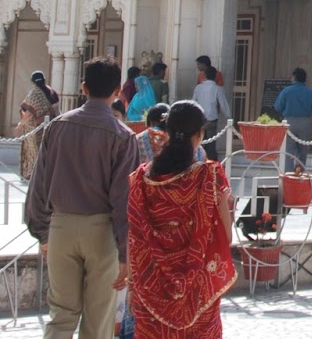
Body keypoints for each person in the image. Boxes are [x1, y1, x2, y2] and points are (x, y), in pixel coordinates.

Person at [23, 56, 140, 339]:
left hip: (61, 228)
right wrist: (126, 254)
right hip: (102, 233)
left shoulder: (58, 126)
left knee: (61, 316)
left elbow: (39, 185)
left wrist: (42, 232)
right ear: (117, 92)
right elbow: (124, 199)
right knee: (98, 321)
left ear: (83, 88)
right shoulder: (123, 136)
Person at [127, 100, 236, 339]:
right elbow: (225, 237)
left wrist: (132, 280)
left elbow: (134, 237)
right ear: (200, 134)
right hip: (198, 291)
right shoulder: (210, 176)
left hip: (151, 284)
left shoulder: (141, 180)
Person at [274, 68, 312, 171]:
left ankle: (288, 173)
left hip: (289, 122)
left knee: (288, 150)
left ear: (294, 77)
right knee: (303, 150)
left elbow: (277, 107)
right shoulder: (311, 92)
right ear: (305, 79)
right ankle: (299, 172)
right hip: (305, 122)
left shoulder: (286, 91)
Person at [17, 72, 60, 180]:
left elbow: (29, 112)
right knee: (48, 149)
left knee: (35, 150)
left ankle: (34, 173)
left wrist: (20, 124)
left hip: (37, 127)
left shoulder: (35, 93)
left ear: (33, 82)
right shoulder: (52, 91)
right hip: (53, 124)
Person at [191, 66, 231, 161]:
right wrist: (229, 117)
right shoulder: (217, 89)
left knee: (200, 143)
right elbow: (223, 105)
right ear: (216, 76)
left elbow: (193, 102)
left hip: (200, 120)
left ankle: (199, 162)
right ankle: (211, 164)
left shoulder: (198, 88)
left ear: (205, 75)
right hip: (212, 119)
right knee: (211, 145)